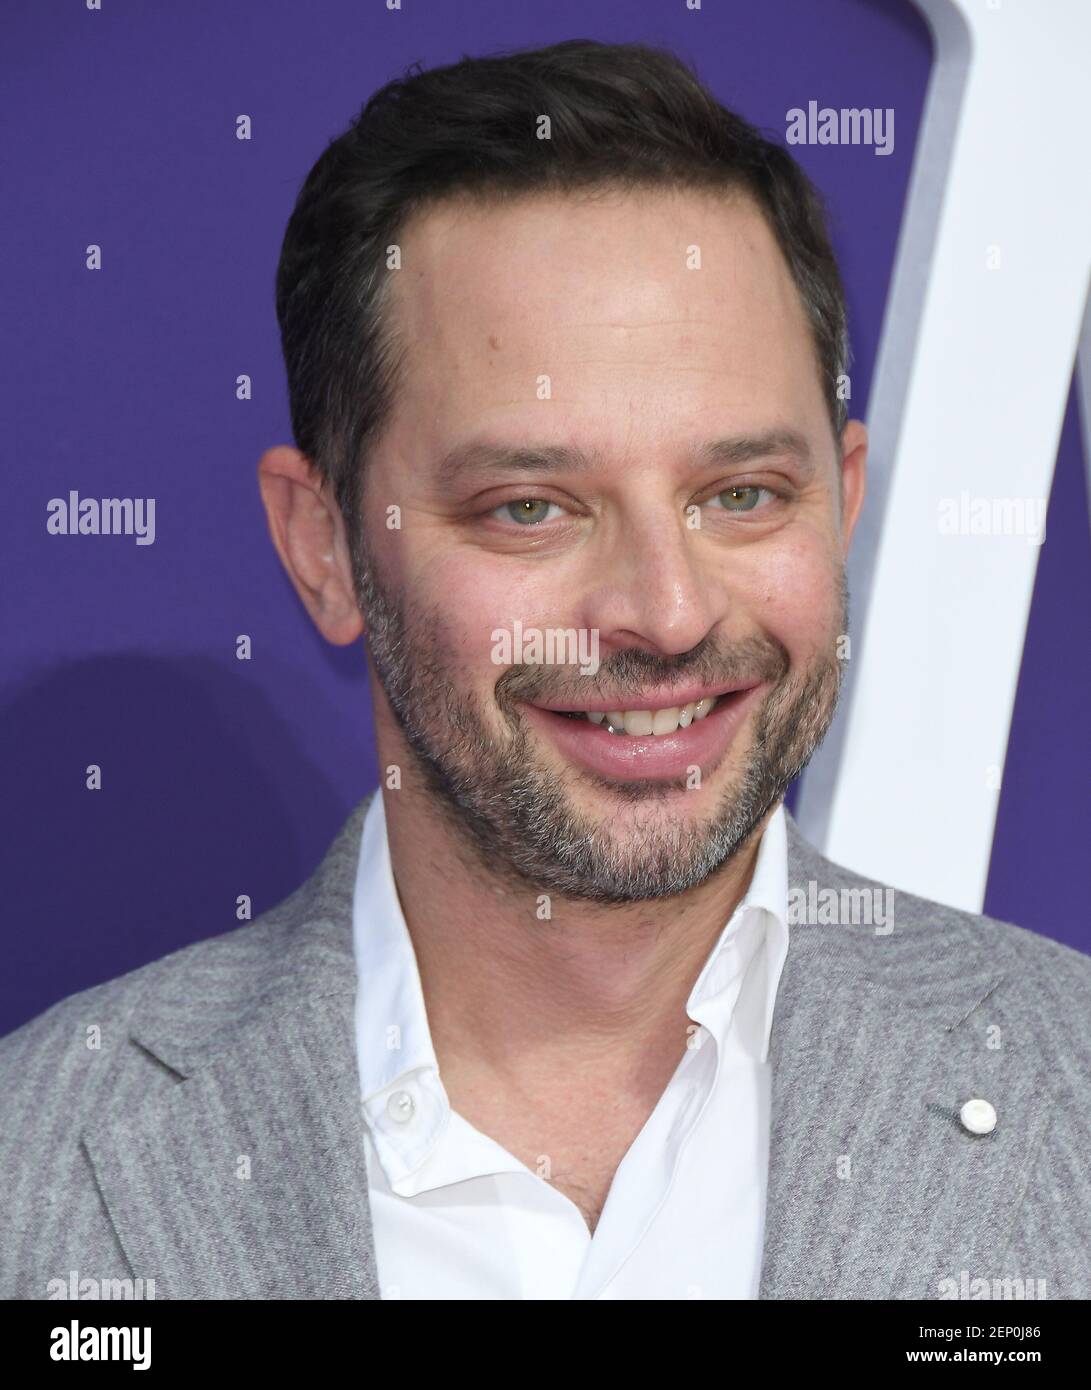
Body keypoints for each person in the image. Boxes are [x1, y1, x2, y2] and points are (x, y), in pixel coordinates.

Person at [3, 39, 1088, 1302]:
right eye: (530, 508)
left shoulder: (1064, 1086)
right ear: (327, 549)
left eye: (740, 494)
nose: (665, 615)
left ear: (841, 501)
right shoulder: (38, 1180)